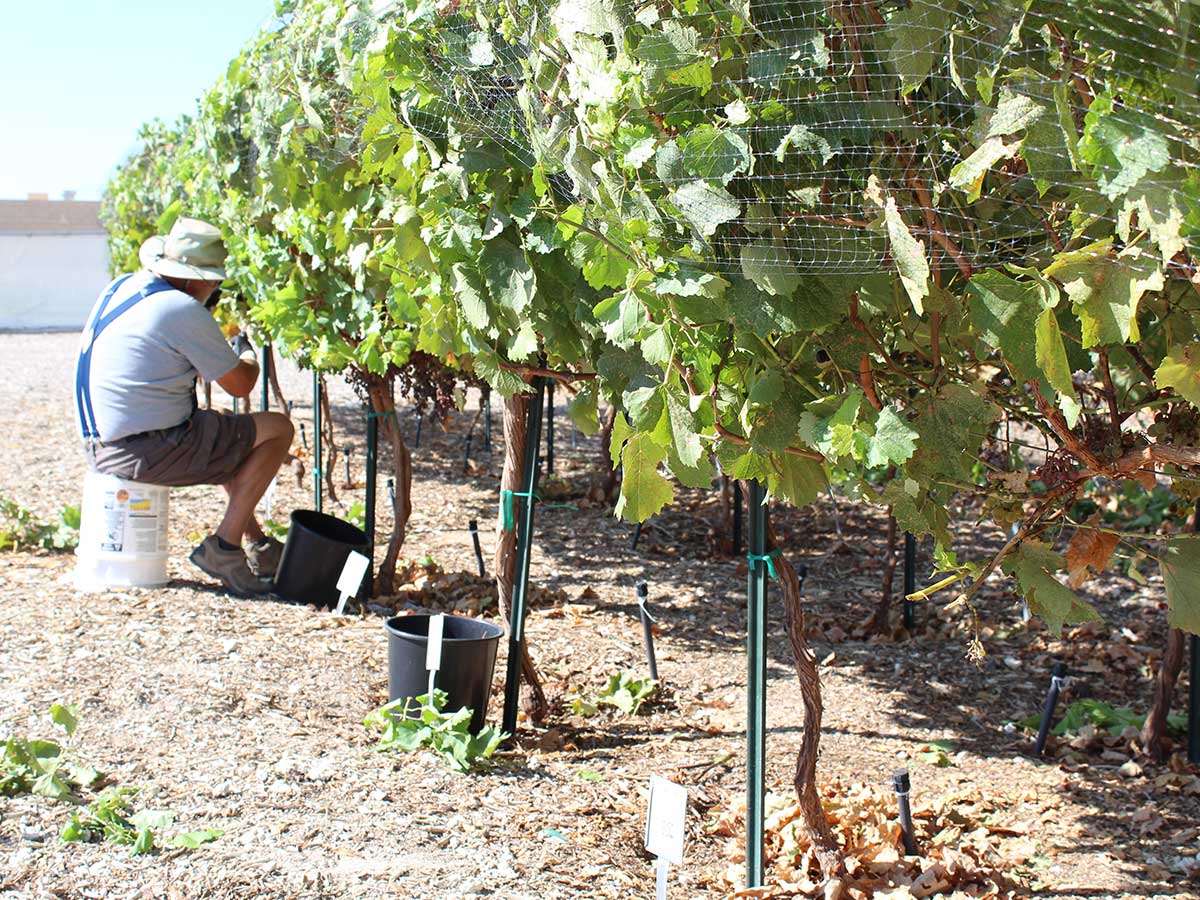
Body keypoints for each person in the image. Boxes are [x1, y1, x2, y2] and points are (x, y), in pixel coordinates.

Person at [74, 217, 294, 597]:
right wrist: (245, 347)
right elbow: (241, 385)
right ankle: (225, 547)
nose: (216, 289)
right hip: (143, 451)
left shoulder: (124, 287)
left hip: (101, 443)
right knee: (276, 428)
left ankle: (257, 543)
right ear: (197, 280)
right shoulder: (181, 309)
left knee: (227, 431)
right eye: (215, 281)